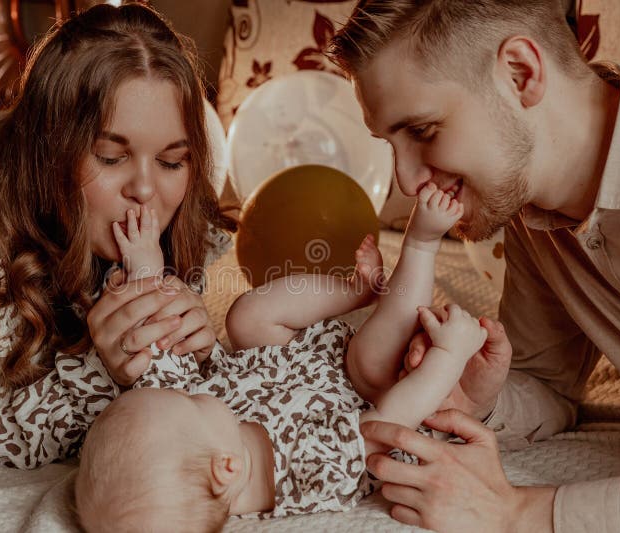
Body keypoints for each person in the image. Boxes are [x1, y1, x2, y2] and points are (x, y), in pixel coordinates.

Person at [0, 2, 235, 468]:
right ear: (49, 154)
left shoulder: (161, 223)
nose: (145, 189)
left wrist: (197, 351)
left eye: (172, 161)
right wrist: (101, 372)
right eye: (111, 157)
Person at [326, 1, 620, 531]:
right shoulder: (531, 213)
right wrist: (477, 396)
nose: (407, 183)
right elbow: (550, 385)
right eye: (391, 144)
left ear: (520, 73)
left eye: (424, 131)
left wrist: (521, 512)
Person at [74, 180, 494, 531]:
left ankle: (354, 291)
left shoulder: (187, 434)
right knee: (373, 357)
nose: (191, 390)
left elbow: (159, 355)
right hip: (370, 389)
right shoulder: (305, 473)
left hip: (296, 358)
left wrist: (144, 261)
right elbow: (390, 425)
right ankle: (421, 243)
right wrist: (448, 354)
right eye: (192, 401)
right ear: (227, 470)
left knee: (244, 318)